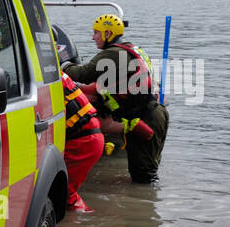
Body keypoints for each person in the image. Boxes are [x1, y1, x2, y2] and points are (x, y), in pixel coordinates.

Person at [64, 14, 170, 183]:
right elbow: (101, 86)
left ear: (107, 33)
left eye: (96, 33)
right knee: (145, 173)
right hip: (156, 114)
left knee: (144, 179)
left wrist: (61, 63)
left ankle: (144, 206)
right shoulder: (133, 50)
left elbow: (82, 74)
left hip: (146, 119)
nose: (93, 37)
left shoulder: (113, 53)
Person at [60, 72, 105, 212]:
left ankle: (82, 223)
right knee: (63, 193)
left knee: (64, 194)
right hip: (88, 137)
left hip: (84, 141)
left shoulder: (46, 76)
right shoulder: (53, 72)